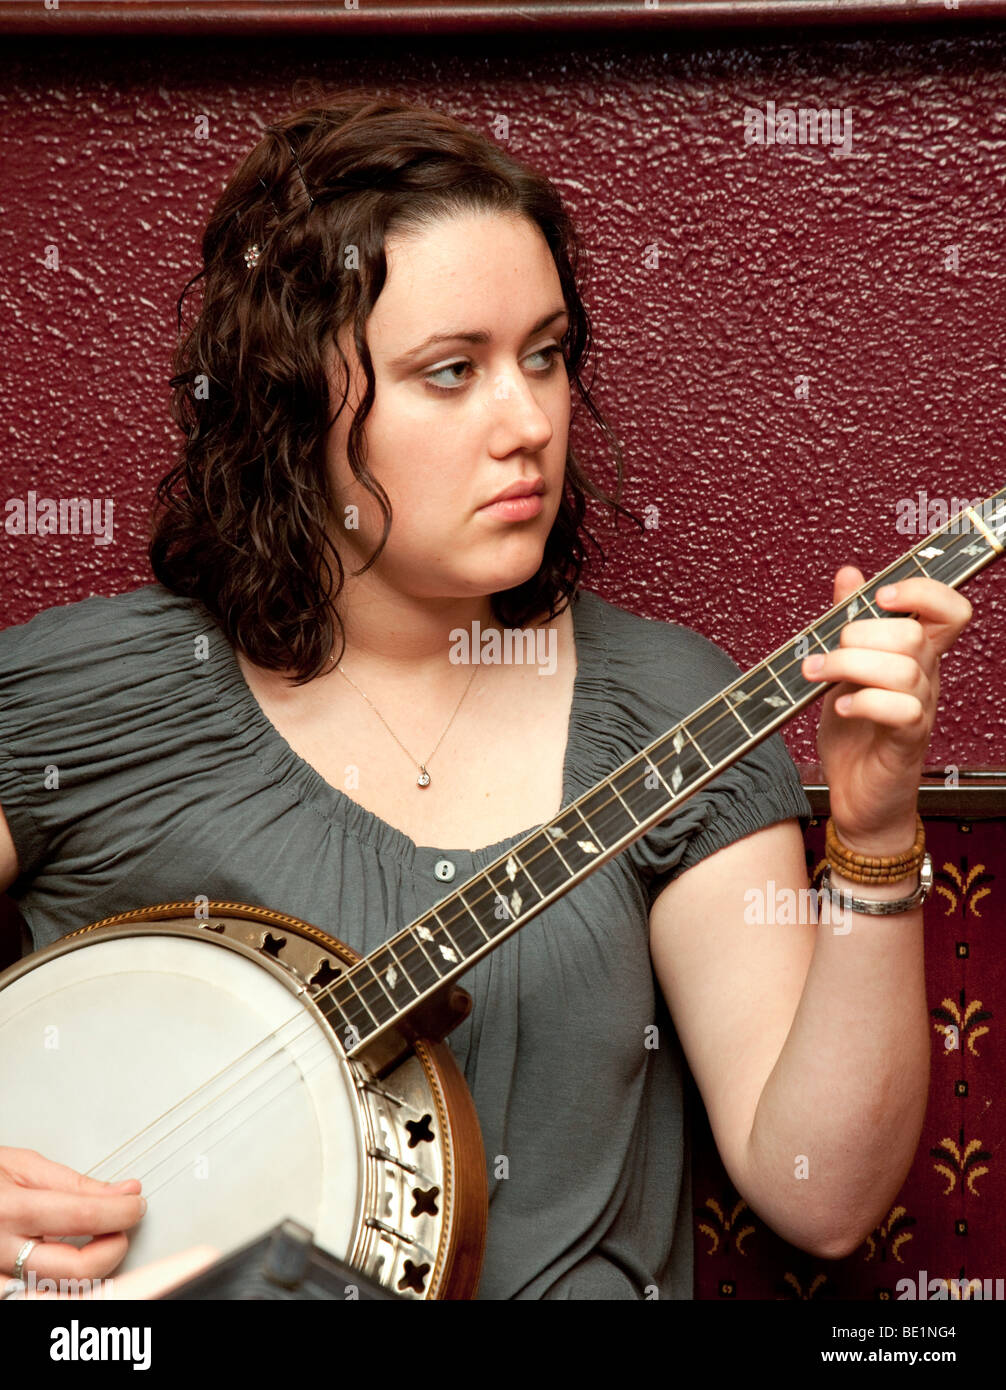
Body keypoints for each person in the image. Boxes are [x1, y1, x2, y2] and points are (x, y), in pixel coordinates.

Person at [0, 92, 973, 1301]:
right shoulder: (92, 698)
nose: (527, 423)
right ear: (291, 405)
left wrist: (874, 839)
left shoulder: (666, 709)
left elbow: (818, 1194)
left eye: (547, 355)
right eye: (450, 372)